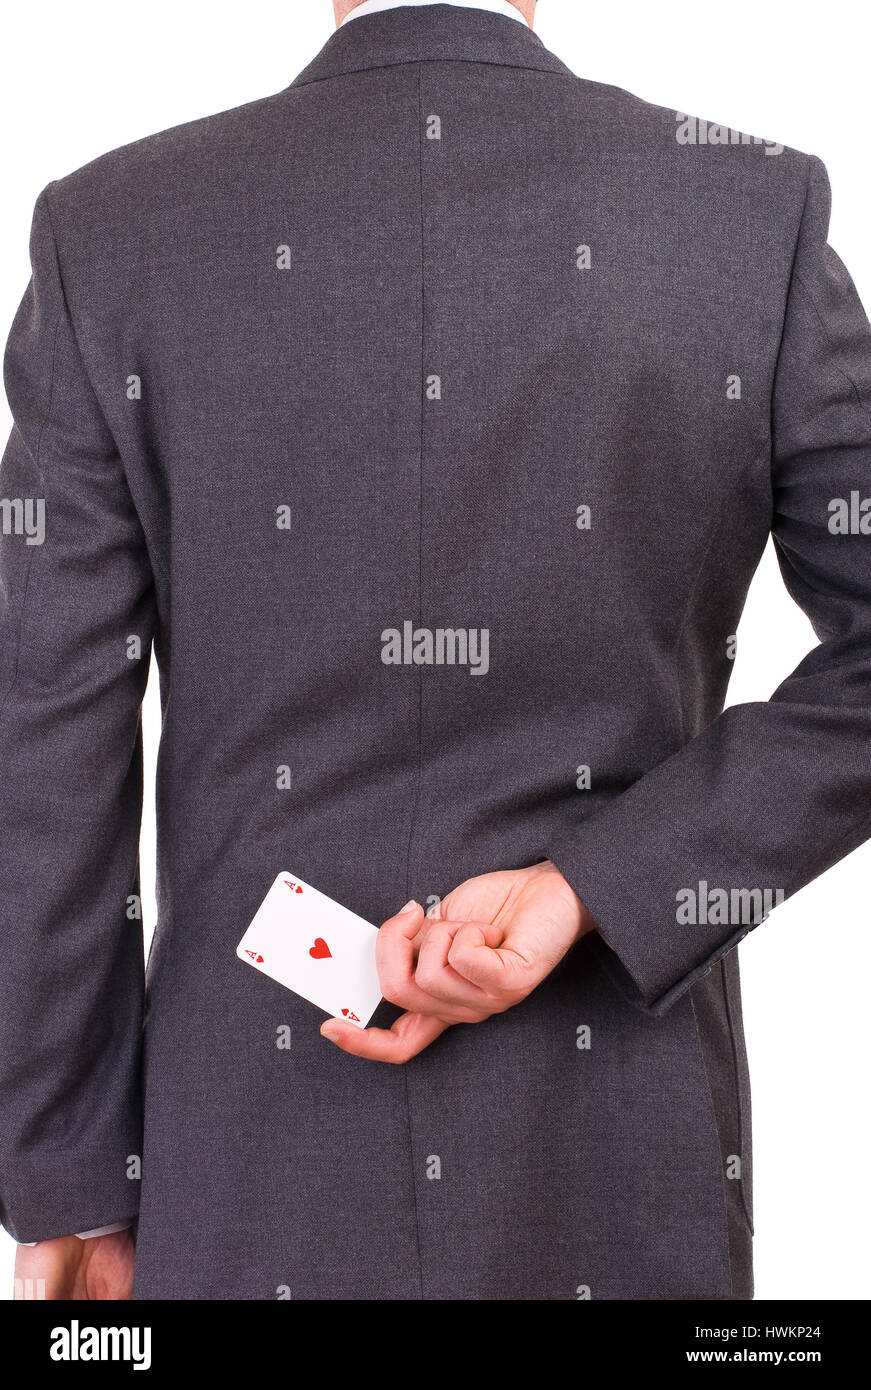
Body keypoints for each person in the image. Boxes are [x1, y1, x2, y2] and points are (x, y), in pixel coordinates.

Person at [3, 0, 870, 1301]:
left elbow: (45, 752)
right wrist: (594, 885)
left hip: (242, 1176)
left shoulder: (115, 231)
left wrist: (67, 1174)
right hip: (622, 1178)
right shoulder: (749, 212)